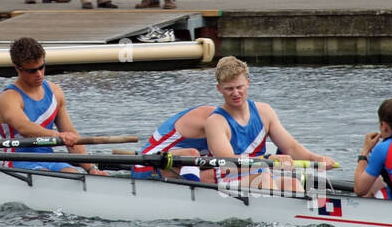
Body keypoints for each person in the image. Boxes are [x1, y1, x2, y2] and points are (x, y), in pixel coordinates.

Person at [134, 56, 336, 189]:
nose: (236, 93)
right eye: (229, 89)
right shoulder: (214, 121)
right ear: (219, 89)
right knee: (265, 177)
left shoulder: (265, 111)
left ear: (248, 83)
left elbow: (291, 147)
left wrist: (317, 158)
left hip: (253, 171)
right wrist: (269, 158)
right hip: (227, 173)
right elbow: (227, 162)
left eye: (239, 87)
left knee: (295, 184)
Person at [0, 37, 101, 174]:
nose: (39, 74)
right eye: (32, 71)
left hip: (49, 159)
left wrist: (91, 168)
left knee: (75, 175)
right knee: (46, 175)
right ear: (17, 68)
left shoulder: (55, 92)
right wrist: (59, 135)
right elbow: (24, 127)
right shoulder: (9, 97)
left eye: (41, 67)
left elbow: (71, 136)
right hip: (18, 161)